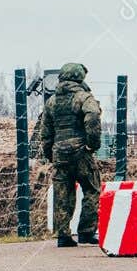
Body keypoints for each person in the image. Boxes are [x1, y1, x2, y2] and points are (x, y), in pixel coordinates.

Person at [36, 61, 103, 247]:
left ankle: (63, 235)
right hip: (81, 152)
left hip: (60, 153)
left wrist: (50, 153)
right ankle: (86, 232)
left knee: (62, 193)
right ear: (79, 77)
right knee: (92, 189)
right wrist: (92, 145)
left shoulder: (52, 102)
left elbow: (46, 132)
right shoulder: (84, 97)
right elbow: (93, 117)